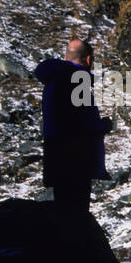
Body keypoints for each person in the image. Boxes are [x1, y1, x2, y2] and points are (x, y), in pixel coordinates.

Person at [35, 39, 112, 212]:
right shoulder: (78, 81)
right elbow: (83, 124)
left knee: (63, 211)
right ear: (87, 60)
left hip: (55, 153)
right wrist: (104, 125)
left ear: (65, 56)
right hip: (76, 159)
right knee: (76, 214)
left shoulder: (53, 78)